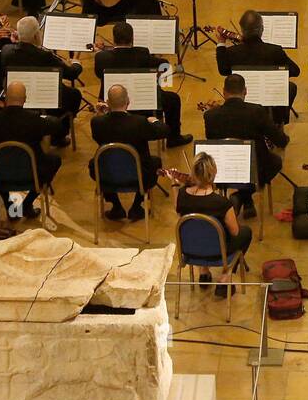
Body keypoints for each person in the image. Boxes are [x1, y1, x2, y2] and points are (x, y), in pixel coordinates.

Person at [92, 20, 192, 148]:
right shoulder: (142, 53)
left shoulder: (101, 57)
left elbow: (98, 74)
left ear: (114, 38)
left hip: (112, 102)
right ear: (132, 38)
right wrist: (156, 75)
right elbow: (165, 64)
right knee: (173, 99)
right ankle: (173, 138)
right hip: (144, 103)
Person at [204, 73, 289, 217]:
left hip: (224, 169)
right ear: (245, 91)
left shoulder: (210, 116)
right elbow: (280, 141)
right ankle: (243, 197)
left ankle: (245, 199)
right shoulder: (257, 111)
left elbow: (212, 141)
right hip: (254, 170)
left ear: (224, 92)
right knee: (276, 161)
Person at [0, 80, 62, 219]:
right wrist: (45, 118)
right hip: (31, 174)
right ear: (25, 100)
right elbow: (56, 125)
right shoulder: (33, 119)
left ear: (5, 99)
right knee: (54, 161)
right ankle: (26, 205)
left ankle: (11, 207)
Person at [89, 83, 169, 221]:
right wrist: (155, 121)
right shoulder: (139, 122)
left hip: (107, 174)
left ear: (107, 102)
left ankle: (116, 206)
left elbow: (99, 136)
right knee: (155, 162)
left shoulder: (97, 123)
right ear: (128, 102)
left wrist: (101, 114)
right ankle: (137, 206)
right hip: (138, 176)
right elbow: (164, 131)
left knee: (93, 164)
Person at [176, 152, 253, 295]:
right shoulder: (222, 203)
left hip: (189, 250)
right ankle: (225, 276)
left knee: (198, 233)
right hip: (217, 252)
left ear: (193, 172)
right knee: (246, 233)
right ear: (213, 173)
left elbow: (180, 212)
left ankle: (203, 272)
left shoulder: (182, 195)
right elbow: (235, 232)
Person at [0, 15, 83, 144]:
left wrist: (18, 42)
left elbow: (19, 52)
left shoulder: (6, 51)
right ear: (35, 36)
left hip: (18, 96)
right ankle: (58, 136)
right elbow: (71, 74)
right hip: (44, 94)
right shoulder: (45, 56)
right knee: (75, 95)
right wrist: (77, 63)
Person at [215, 9, 302, 125]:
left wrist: (221, 43)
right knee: (291, 87)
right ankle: (278, 122)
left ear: (241, 30)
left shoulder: (231, 52)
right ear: (262, 30)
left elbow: (223, 70)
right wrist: (277, 73)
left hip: (244, 95)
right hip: (269, 96)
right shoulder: (274, 51)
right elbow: (295, 71)